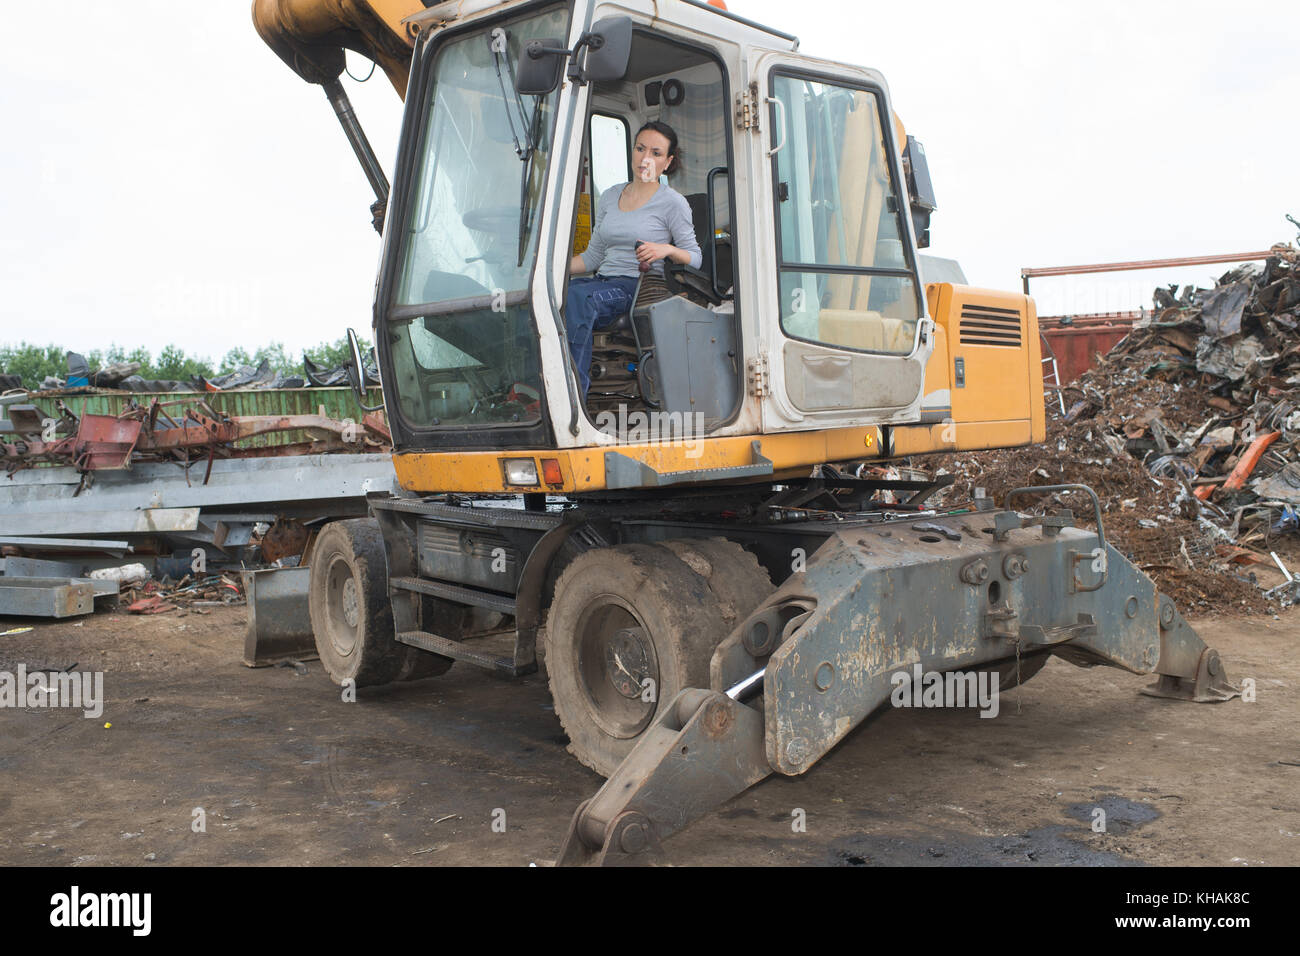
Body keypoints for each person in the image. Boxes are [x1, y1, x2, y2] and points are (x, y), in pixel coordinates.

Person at [566, 121, 702, 396]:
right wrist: (547, 269)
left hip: (633, 287)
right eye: (640, 149)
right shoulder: (610, 196)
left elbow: (695, 258)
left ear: (668, 162)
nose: (645, 158)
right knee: (550, 295)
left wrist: (667, 250)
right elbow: (592, 258)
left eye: (655, 152)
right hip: (601, 281)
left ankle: (572, 395)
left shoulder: (672, 203)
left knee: (576, 300)